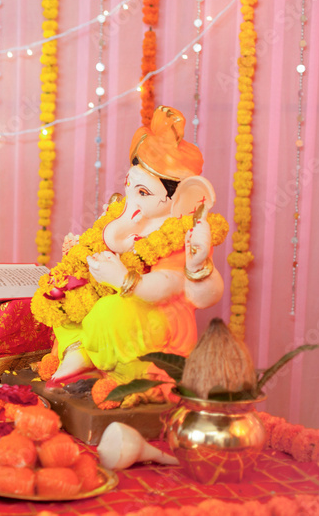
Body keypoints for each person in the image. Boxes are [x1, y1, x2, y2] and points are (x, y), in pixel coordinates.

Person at [32, 107, 226, 402]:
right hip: (112, 292)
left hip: (154, 314)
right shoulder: (130, 213)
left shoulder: (184, 230)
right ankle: (78, 354)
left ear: (184, 198)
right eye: (130, 188)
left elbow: (171, 285)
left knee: (106, 312)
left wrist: (124, 279)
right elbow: (105, 246)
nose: (131, 202)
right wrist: (83, 258)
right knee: (61, 292)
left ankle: (116, 372)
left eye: (144, 193)